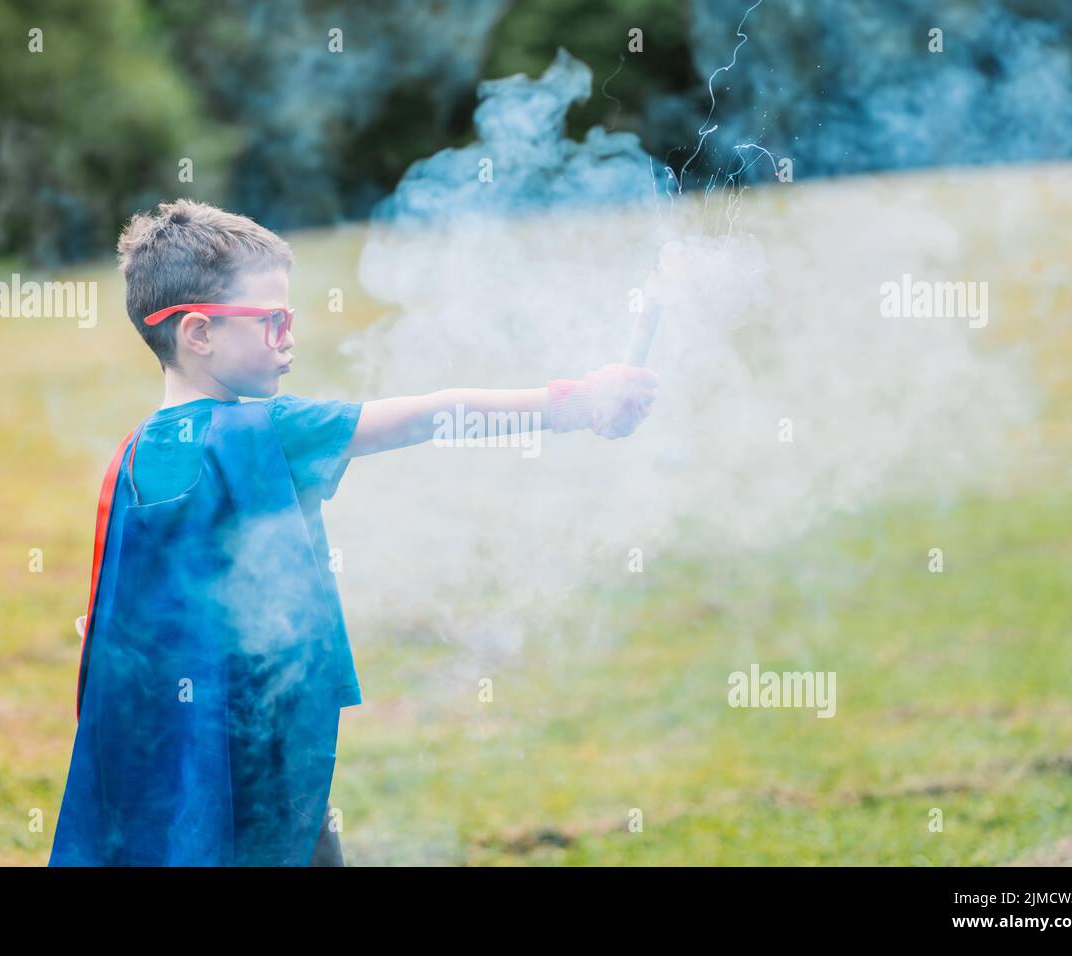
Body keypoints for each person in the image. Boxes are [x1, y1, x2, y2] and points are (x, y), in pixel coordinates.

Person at [48, 199, 657, 866]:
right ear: (197, 332)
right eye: (270, 320)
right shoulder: (267, 430)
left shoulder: (131, 456)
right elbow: (431, 416)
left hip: (172, 753)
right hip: (261, 752)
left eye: (291, 318)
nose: (288, 336)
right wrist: (573, 405)